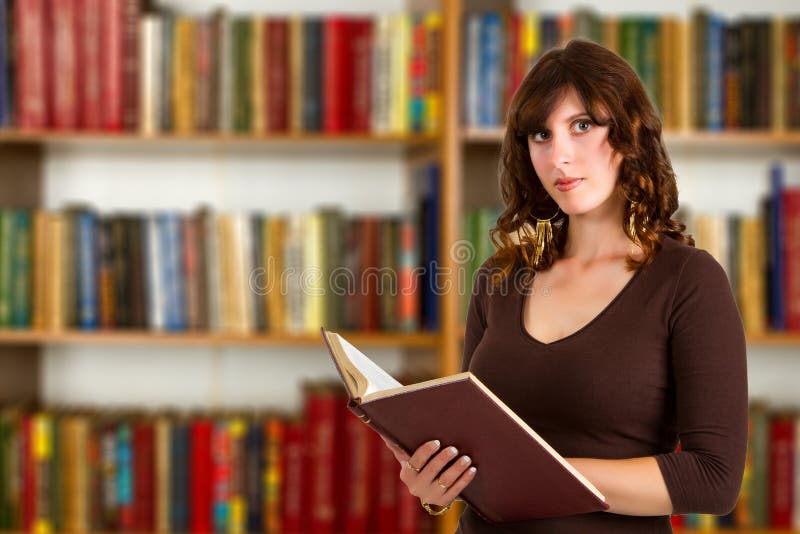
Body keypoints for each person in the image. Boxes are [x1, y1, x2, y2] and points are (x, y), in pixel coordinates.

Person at [382, 38, 748, 532]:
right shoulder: (499, 277)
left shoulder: (688, 280)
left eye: (581, 127)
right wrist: (437, 487)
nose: (560, 157)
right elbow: (474, 450)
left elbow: (713, 478)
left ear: (630, 131)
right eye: (540, 135)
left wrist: (540, 474)